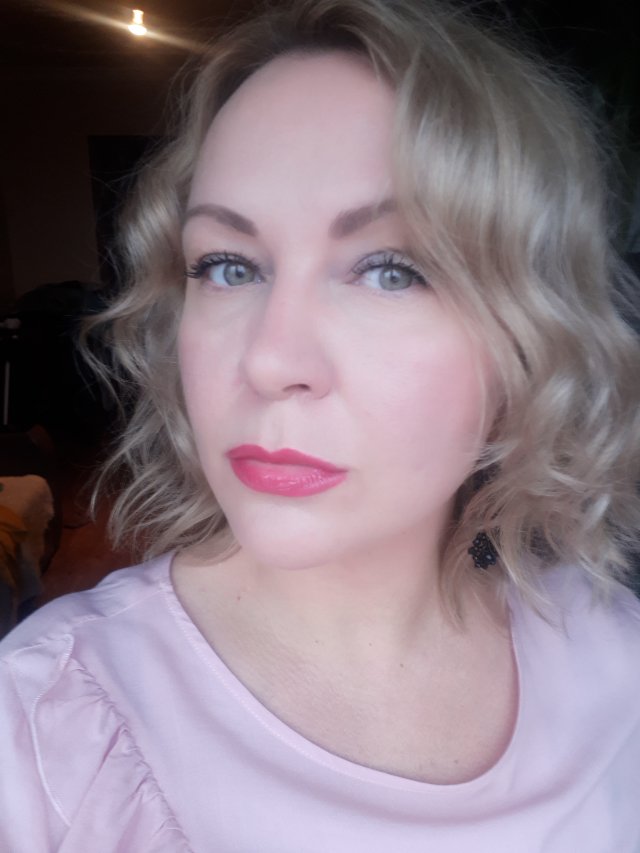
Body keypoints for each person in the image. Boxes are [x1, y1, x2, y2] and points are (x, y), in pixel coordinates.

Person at [2, 0, 640, 849]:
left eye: (391, 270)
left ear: (531, 334)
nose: (270, 359)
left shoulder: (614, 658)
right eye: (228, 266)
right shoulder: (40, 735)